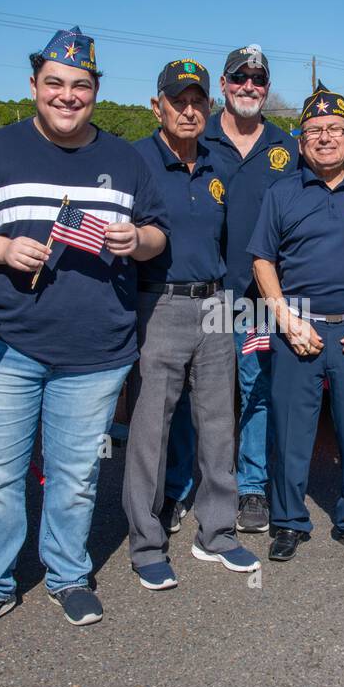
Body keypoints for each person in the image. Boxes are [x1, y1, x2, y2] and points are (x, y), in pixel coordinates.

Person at [0, 27, 167, 634]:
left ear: (95, 91)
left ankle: (67, 574)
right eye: (55, 83)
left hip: (96, 350)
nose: (67, 96)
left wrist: (138, 240)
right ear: (34, 87)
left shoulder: (126, 160)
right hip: (8, 342)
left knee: (75, 478)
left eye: (80, 85)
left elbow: (158, 232)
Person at [123, 60, 261, 590]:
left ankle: (219, 532)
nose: (188, 110)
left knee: (218, 426)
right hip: (158, 305)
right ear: (157, 103)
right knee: (150, 431)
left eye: (197, 101)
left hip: (215, 304)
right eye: (178, 100)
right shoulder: (135, 160)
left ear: (209, 105)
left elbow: (231, 241)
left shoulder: (217, 165)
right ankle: (147, 542)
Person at [250, 82, 344, 563]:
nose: (325, 137)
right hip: (299, 330)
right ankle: (289, 522)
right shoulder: (281, 193)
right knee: (292, 435)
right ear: (301, 140)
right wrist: (284, 318)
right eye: (315, 130)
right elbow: (262, 261)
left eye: (335, 129)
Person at [160, 46, 299, 535]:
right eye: (239, 77)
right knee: (186, 399)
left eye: (258, 80)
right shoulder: (198, 136)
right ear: (223, 83)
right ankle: (178, 487)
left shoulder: (289, 146)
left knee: (255, 391)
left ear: (266, 87)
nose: (248, 86)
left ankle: (253, 486)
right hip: (205, 296)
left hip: (261, 299)